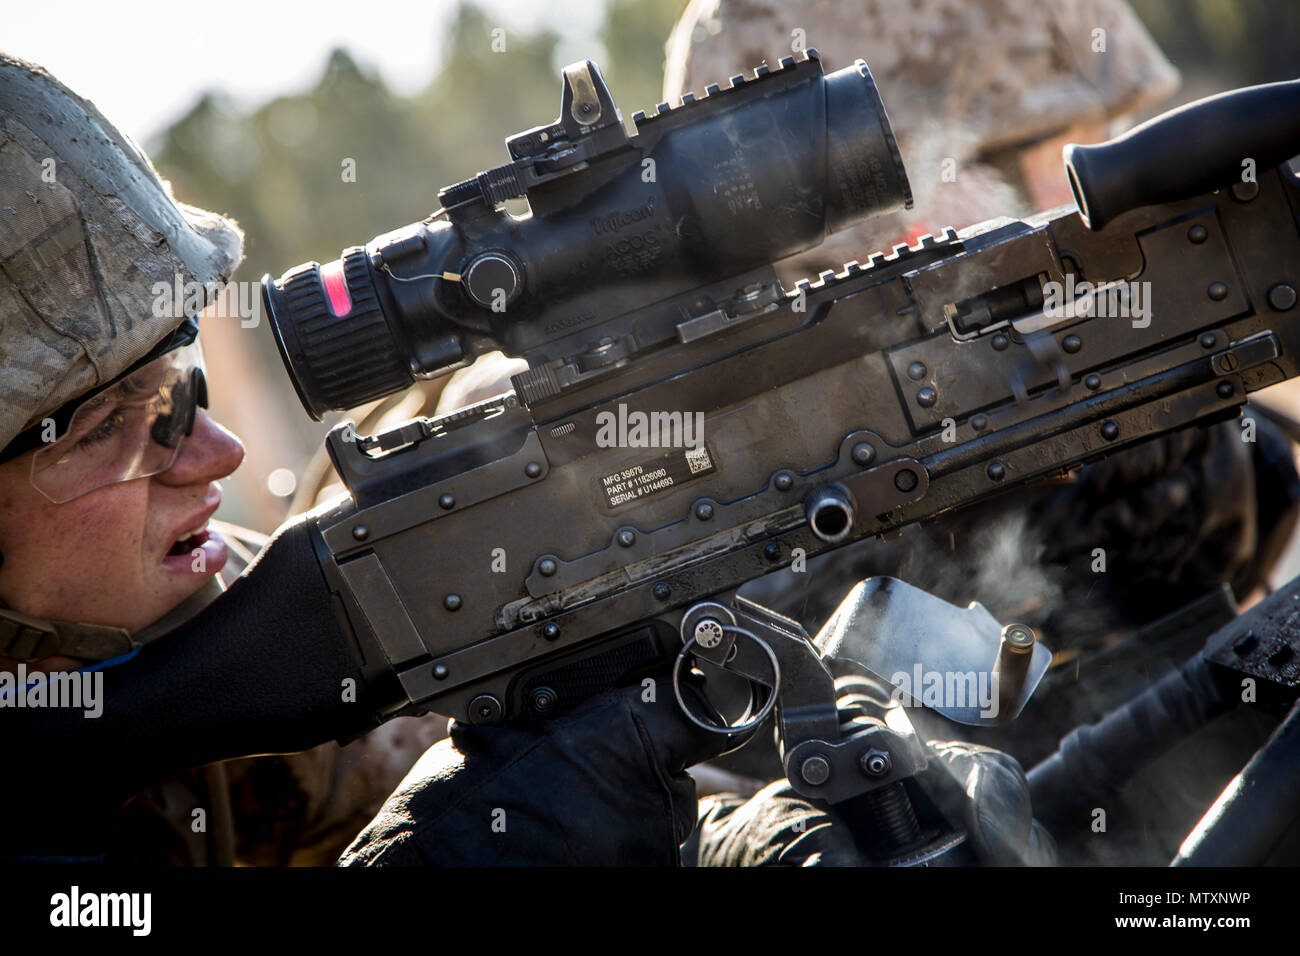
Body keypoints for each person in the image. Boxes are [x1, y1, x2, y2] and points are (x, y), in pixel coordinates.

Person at [0, 53, 724, 866]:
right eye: (109, 427)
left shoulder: (214, 628)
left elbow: (437, 764)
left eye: (178, 391)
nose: (219, 453)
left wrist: (759, 840)